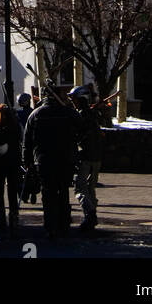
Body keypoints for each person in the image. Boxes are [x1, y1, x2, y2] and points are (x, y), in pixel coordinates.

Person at [23, 86, 79, 237]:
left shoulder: (36, 114)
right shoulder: (67, 112)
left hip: (43, 161)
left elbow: (27, 141)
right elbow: (81, 126)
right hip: (64, 160)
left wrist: (27, 162)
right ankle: (64, 224)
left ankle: (50, 226)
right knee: (63, 193)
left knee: (48, 195)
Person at [70, 85, 104, 232]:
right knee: (91, 188)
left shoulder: (81, 116)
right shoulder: (94, 115)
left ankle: (90, 214)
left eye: (75, 99)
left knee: (80, 188)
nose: (73, 102)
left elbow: (76, 134)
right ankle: (91, 215)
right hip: (96, 157)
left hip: (85, 157)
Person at [0, 104, 23, 236]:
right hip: (13, 162)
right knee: (12, 190)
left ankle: (1, 215)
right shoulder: (15, 128)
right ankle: (14, 215)